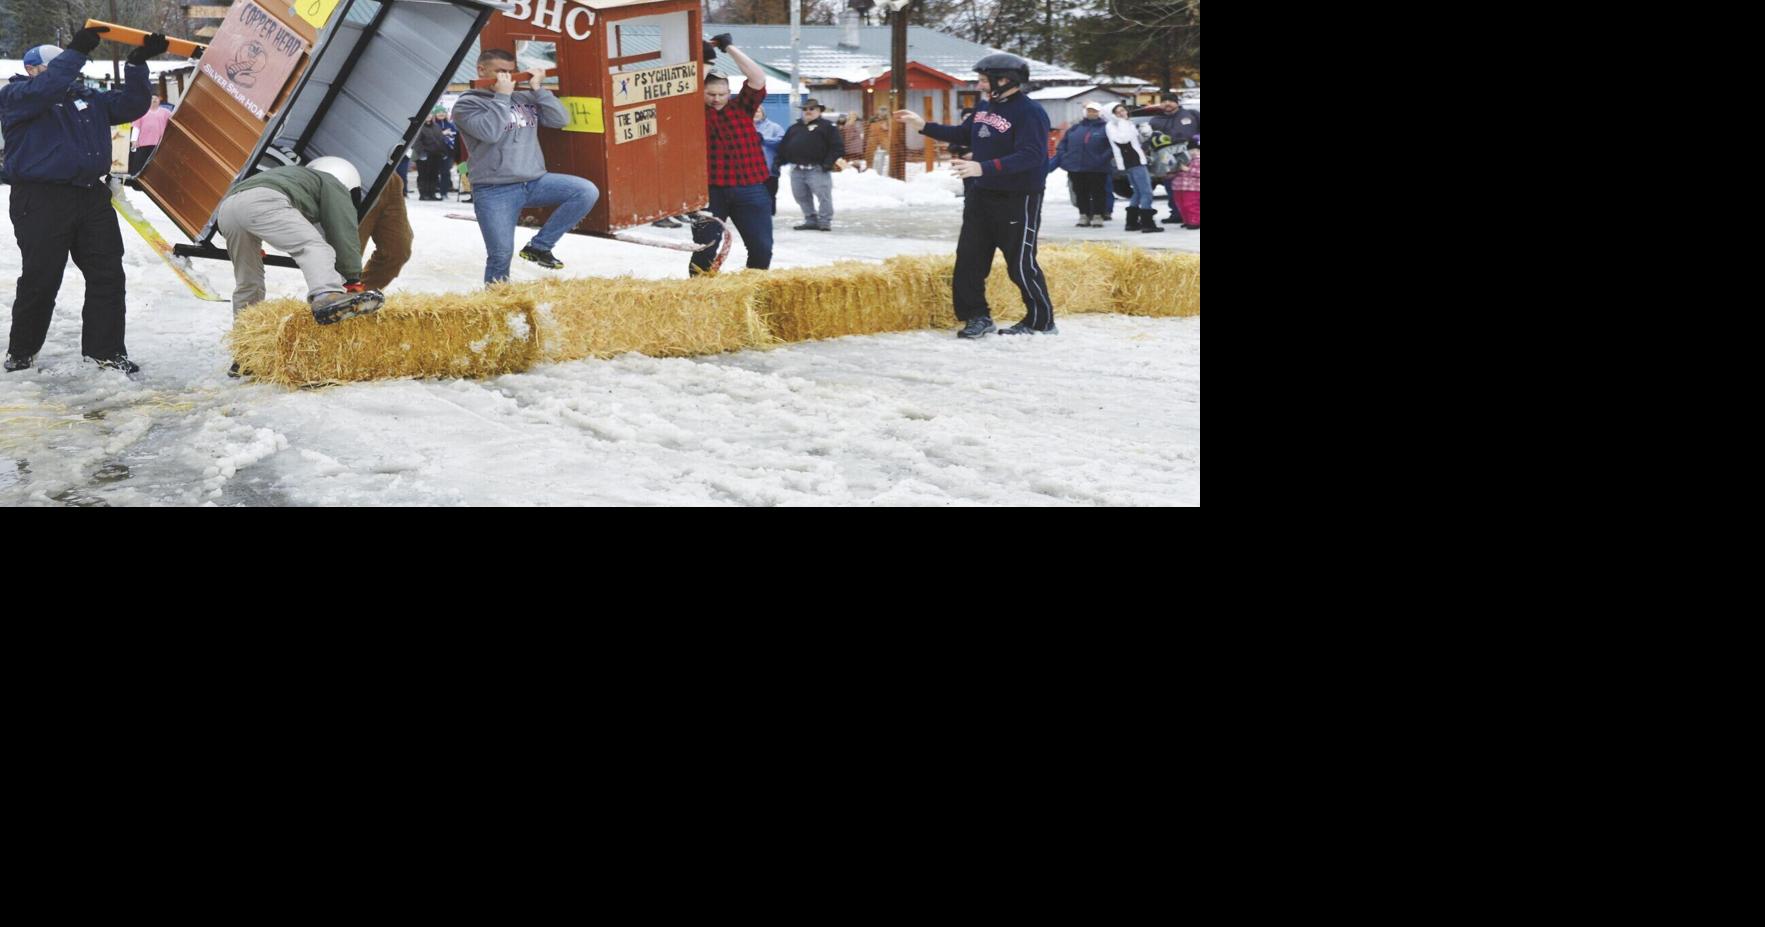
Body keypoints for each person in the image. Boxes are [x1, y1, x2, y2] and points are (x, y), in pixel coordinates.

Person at [2, 28, 162, 374]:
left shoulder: (87, 97)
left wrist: (137, 64)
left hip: (91, 196)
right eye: (58, 65)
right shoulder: (17, 95)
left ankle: (105, 352)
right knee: (41, 277)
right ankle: (22, 351)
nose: (69, 71)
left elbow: (131, 105)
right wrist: (75, 51)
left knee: (107, 274)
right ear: (33, 69)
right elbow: (46, 89)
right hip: (42, 199)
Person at [895, 53, 1056, 337]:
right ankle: (976, 316)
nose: (980, 85)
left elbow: (1032, 155)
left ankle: (1041, 321)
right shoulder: (985, 108)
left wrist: (983, 167)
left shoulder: (1030, 112)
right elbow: (963, 134)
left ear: (1004, 80)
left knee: (1020, 263)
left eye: (984, 80)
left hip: (1018, 198)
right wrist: (923, 126)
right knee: (969, 259)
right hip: (981, 196)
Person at [453, 49, 600, 284]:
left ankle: (540, 247)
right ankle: (498, 306)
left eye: (511, 72)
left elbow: (560, 119)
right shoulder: (466, 105)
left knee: (585, 191)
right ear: (482, 70)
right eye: (501, 72)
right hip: (494, 190)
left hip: (534, 181)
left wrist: (538, 89)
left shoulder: (522, 98)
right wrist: (502, 97)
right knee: (500, 255)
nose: (507, 78)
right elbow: (490, 133)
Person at [213, 159, 382, 324]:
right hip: (264, 202)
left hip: (227, 210)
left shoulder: (290, 176)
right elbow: (342, 229)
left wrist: (251, 240)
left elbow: (243, 208)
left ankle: (245, 331)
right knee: (314, 247)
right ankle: (326, 295)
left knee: (248, 280)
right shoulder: (331, 183)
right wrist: (352, 278)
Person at [690, 34, 774, 275]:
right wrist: (705, 60)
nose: (717, 99)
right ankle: (699, 295)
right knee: (705, 249)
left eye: (722, 94)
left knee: (762, 247)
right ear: (701, 93)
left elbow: (757, 77)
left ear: (729, 92)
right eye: (710, 94)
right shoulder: (693, 111)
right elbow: (688, 87)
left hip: (751, 188)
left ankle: (751, 289)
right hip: (710, 191)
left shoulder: (742, 107)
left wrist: (729, 47)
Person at [1134, 93, 1198, 223]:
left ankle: (1194, 215)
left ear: (1177, 102)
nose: (1167, 103)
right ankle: (1176, 213)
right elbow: (1148, 139)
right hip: (1165, 159)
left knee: (1193, 189)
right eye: (1164, 101)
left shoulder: (1190, 115)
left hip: (1189, 156)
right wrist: (1144, 149)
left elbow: (1191, 134)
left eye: (1171, 101)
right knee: (1172, 187)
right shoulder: (1155, 120)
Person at [778, 97, 841, 231]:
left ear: (819, 111)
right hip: (797, 170)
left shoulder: (827, 127)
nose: (808, 111)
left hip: (817, 169)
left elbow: (837, 147)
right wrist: (778, 161)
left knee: (823, 196)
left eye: (812, 109)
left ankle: (825, 221)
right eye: (805, 109)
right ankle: (810, 219)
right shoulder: (794, 128)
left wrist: (828, 163)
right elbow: (784, 147)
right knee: (800, 196)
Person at [1053, 100, 1112, 227]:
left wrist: (1102, 159)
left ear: (1100, 113)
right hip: (1076, 167)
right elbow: (1063, 144)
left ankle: (1098, 215)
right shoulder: (1075, 128)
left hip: (1097, 168)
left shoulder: (1106, 128)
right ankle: (1083, 215)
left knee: (1098, 192)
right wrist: (1064, 157)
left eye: (1095, 111)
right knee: (1080, 192)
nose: (1092, 113)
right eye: (1089, 111)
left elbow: (1111, 147)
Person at [1106, 102, 1159, 233]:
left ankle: (1131, 222)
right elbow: (1123, 140)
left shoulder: (1126, 124)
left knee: (1138, 192)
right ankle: (1147, 223)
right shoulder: (1113, 125)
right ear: (1112, 115)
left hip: (1135, 160)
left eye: (1123, 110)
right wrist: (1124, 123)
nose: (1122, 113)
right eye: (1117, 112)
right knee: (1146, 192)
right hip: (1132, 161)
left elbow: (1135, 141)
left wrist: (1145, 132)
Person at [357, 171, 413, 291]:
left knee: (398, 250)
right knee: (347, 258)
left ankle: (356, 298)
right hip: (354, 175)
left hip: (388, 176)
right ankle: (333, 301)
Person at [754, 104, 785, 216]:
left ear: (763, 113)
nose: (755, 113)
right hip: (749, 170)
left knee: (769, 194)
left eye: (758, 111)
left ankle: (770, 216)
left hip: (769, 169)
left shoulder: (774, 127)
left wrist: (764, 140)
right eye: (753, 111)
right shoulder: (744, 126)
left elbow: (782, 141)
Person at [414, 107, 451, 200]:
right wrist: (421, 153)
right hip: (424, 155)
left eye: (430, 114)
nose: (428, 116)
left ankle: (432, 194)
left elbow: (441, 140)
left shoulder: (436, 126)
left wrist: (444, 152)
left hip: (436, 155)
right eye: (427, 114)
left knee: (433, 175)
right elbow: (417, 142)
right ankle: (424, 194)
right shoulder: (419, 127)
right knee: (424, 175)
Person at [130, 94, 170, 176]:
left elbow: (170, 126)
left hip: (159, 144)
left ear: (159, 100)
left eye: (156, 98)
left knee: (157, 164)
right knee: (139, 163)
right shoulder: (142, 112)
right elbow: (136, 127)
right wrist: (134, 140)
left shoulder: (166, 113)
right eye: (152, 98)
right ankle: (136, 178)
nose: (154, 99)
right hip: (143, 143)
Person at [1172, 134, 1199, 230]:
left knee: (1191, 204)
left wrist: (1187, 169)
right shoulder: (1183, 159)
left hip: (1192, 188)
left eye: (1195, 150)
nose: (1192, 152)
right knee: (1181, 205)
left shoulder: (1198, 160)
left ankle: (1195, 221)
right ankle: (1187, 220)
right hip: (1179, 187)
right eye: (1189, 150)